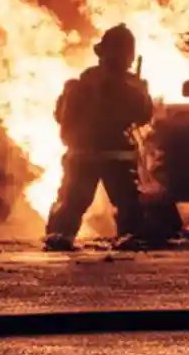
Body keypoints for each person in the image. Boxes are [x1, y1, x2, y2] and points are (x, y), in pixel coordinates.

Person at [44, 24, 154, 251]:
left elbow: (60, 116)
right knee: (123, 203)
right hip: (111, 156)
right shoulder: (124, 86)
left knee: (74, 201)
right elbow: (143, 116)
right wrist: (140, 93)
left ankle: (60, 235)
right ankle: (128, 236)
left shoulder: (80, 83)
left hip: (88, 154)